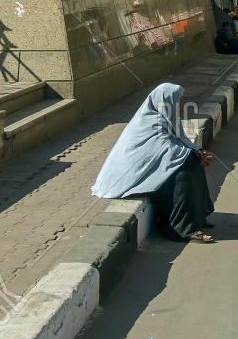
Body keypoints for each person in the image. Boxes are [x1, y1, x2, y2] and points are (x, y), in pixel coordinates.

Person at [92, 83, 217, 244]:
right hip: (132, 174)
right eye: (179, 102)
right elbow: (166, 150)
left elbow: (181, 142)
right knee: (181, 175)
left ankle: (196, 218)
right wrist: (193, 156)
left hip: (150, 168)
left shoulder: (167, 119)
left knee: (193, 166)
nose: (182, 105)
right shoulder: (150, 122)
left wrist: (198, 153)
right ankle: (181, 229)